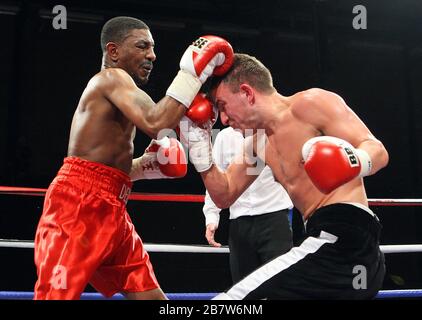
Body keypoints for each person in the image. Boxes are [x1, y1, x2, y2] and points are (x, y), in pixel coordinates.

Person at [33, 16, 233, 300]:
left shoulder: (122, 92)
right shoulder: (111, 79)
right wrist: (192, 73)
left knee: (153, 298)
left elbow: (107, 164)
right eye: (142, 47)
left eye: (152, 48)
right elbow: (155, 121)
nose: (152, 55)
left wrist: (144, 166)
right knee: (55, 296)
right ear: (113, 52)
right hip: (78, 206)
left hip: (112, 206)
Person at [183, 53, 389, 299]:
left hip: (346, 239)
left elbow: (376, 150)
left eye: (223, 106)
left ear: (247, 93)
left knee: (232, 301)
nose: (224, 120)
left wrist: (351, 162)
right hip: (323, 244)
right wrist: (199, 148)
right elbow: (224, 195)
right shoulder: (256, 144)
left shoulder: (310, 104)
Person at [203, 126, 293, 283]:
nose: (225, 117)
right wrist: (212, 217)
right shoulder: (224, 137)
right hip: (239, 222)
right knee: (243, 287)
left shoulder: (272, 131)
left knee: (280, 285)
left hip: (274, 217)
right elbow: (215, 180)